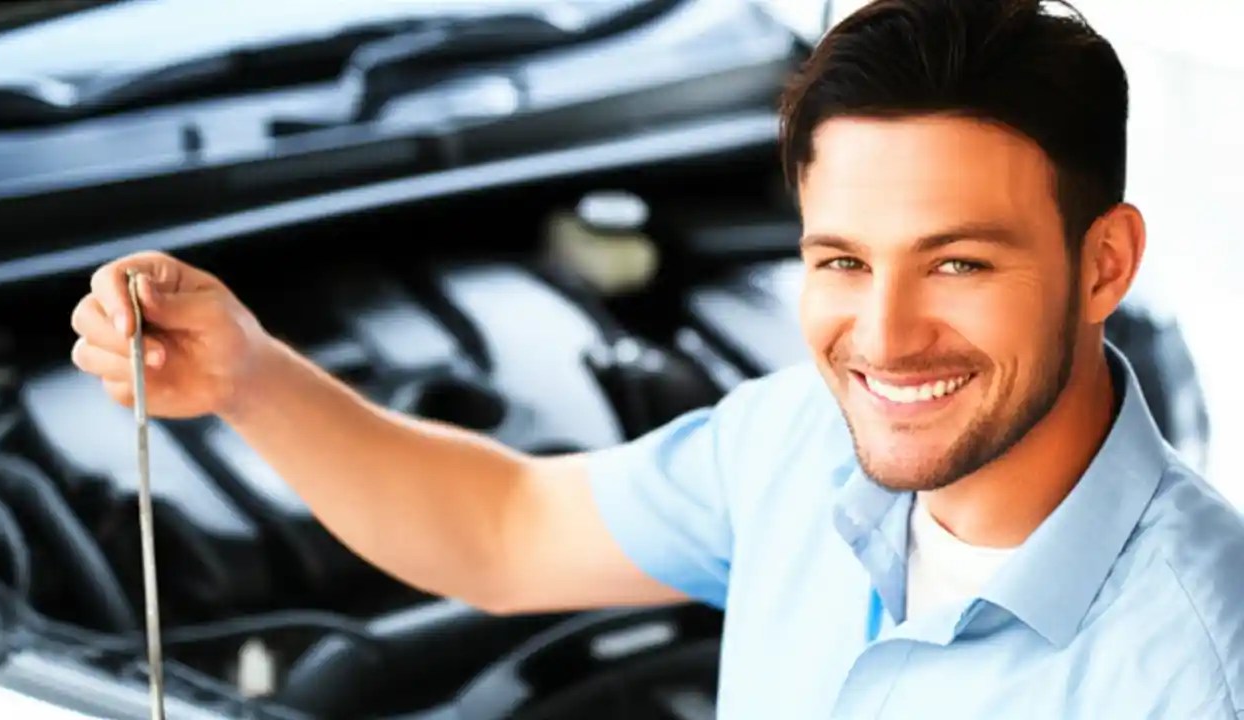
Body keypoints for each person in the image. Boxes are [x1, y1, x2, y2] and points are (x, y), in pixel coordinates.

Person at [68, 0, 1243, 717]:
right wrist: (247, 377)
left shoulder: (1199, 673)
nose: (882, 338)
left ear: (1103, 265)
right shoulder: (793, 441)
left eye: (956, 266)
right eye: (839, 261)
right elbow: (501, 530)